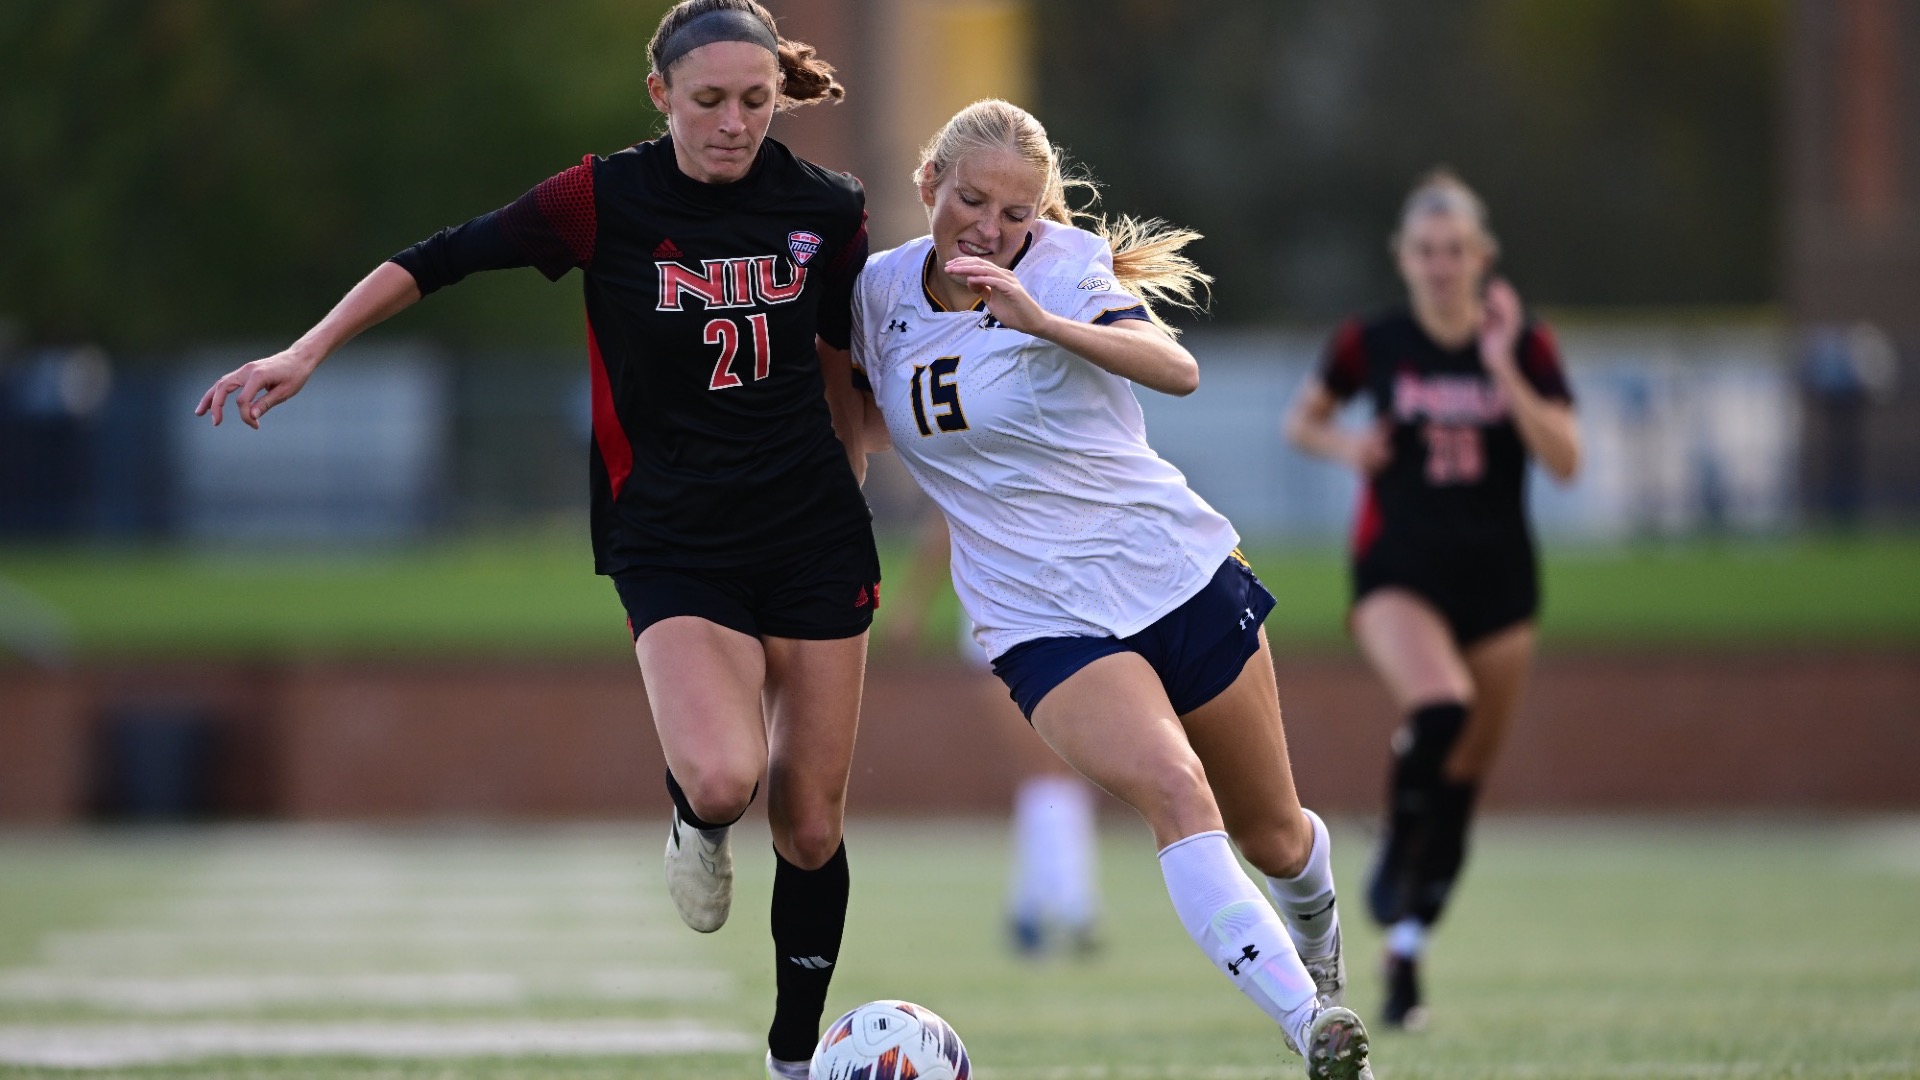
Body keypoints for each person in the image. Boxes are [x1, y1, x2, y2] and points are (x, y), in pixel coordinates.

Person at [194, 4, 877, 1076]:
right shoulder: (597, 198)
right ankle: (691, 827)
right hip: (673, 535)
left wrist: (863, 471)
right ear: (660, 96)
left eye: (755, 100)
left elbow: (844, 353)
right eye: (709, 102)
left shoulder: (828, 205)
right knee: (720, 781)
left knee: (811, 830)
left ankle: (793, 1060)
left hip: (813, 531)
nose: (735, 123)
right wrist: (309, 348)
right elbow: (440, 257)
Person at [849, 99, 1375, 1080]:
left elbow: (1174, 369)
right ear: (928, 184)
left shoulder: (1059, 263)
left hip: (1170, 572)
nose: (992, 230)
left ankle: (1321, 953)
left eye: (1016, 211)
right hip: (1039, 619)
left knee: (1277, 835)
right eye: (971, 201)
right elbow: (878, 424)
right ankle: (1312, 1026)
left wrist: (1043, 321)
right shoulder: (876, 293)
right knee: (1175, 789)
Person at [1283, 168, 1580, 1029]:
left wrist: (1501, 369)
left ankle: (1406, 954)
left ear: (1482, 257)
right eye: (1426, 251)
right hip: (1399, 566)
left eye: (1457, 250)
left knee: (1461, 788)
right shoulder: (1370, 340)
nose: (1442, 265)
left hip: (1498, 580)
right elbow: (1301, 423)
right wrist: (1350, 448)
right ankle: (1385, 858)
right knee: (1441, 707)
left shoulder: (1525, 345)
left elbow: (1566, 460)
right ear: (1404, 259)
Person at [884, 509, 1103, 957]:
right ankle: (1066, 906)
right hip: (1002, 620)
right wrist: (913, 602)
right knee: (1045, 765)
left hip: (1067, 614)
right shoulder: (977, 447)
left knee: (1060, 767)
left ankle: (1039, 907)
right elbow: (943, 519)